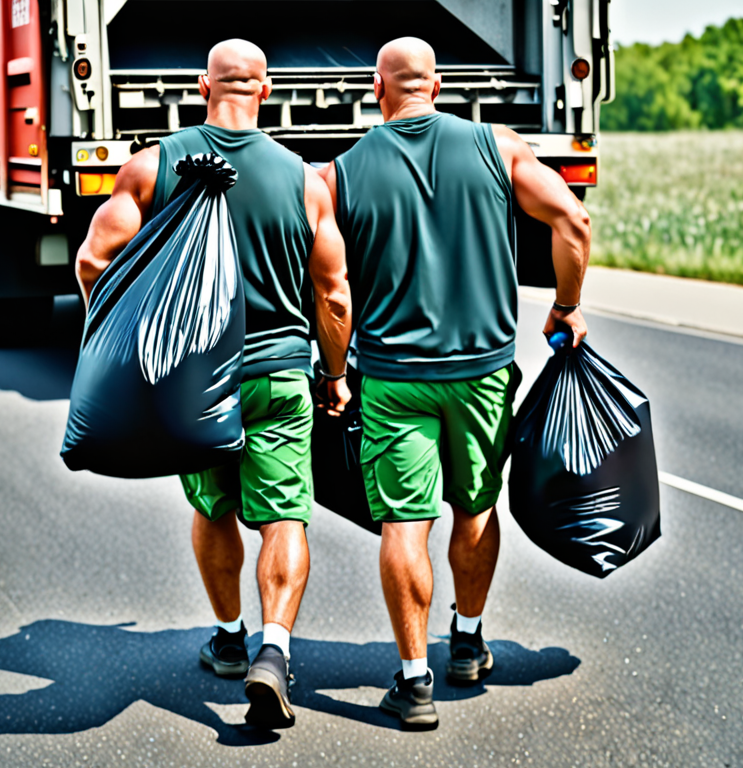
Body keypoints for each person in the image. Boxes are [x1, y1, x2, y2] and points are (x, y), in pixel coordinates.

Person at [75, 39, 353, 730]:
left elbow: (91, 261)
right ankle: (275, 652)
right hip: (279, 375)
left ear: (203, 86)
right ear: (266, 89)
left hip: (191, 385)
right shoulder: (303, 181)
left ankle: (228, 637)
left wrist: (126, 349)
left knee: (213, 509)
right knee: (285, 515)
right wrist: (335, 373)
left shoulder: (152, 166)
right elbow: (335, 296)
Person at [319, 37, 590, 730]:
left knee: (404, 524)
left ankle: (414, 683)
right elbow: (573, 220)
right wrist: (566, 304)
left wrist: (336, 370)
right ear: (436, 86)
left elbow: (330, 288)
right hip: (483, 375)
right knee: (475, 508)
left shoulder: (341, 174)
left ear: (378, 91)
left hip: (395, 379)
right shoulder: (497, 147)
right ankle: (467, 641)